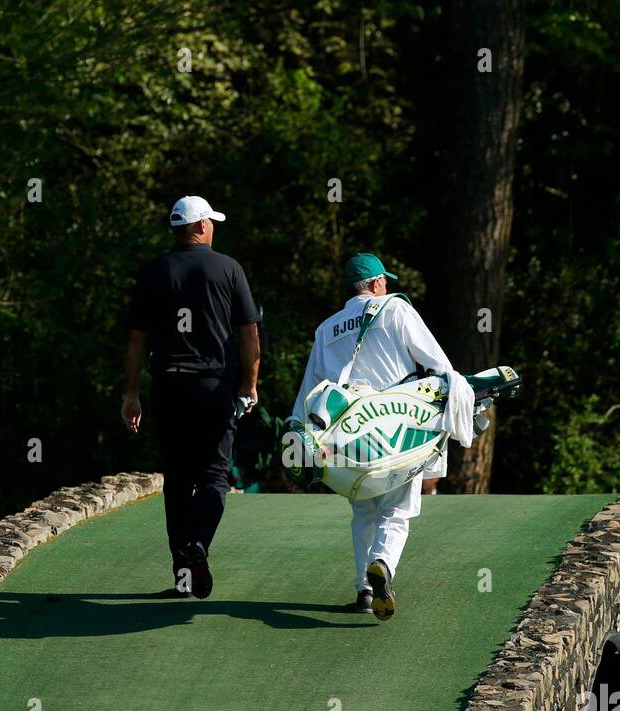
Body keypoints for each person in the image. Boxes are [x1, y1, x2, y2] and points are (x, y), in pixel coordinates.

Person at [290, 253, 455, 621]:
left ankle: (364, 590)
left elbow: (310, 390)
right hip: (395, 427)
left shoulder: (326, 328)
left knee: (362, 508)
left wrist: (298, 437)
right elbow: (438, 364)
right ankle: (382, 564)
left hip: (344, 435)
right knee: (397, 509)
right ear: (378, 284)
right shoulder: (395, 310)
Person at [123, 195, 261, 598]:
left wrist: (131, 394)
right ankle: (198, 541)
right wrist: (249, 385)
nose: (214, 227)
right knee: (215, 475)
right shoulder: (229, 268)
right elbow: (249, 335)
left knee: (178, 481)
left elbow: (136, 339)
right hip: (213, 386)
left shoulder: (155, 270)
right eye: (212, 222)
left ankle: (182, 577)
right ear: (201, 226)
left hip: (168, 385)